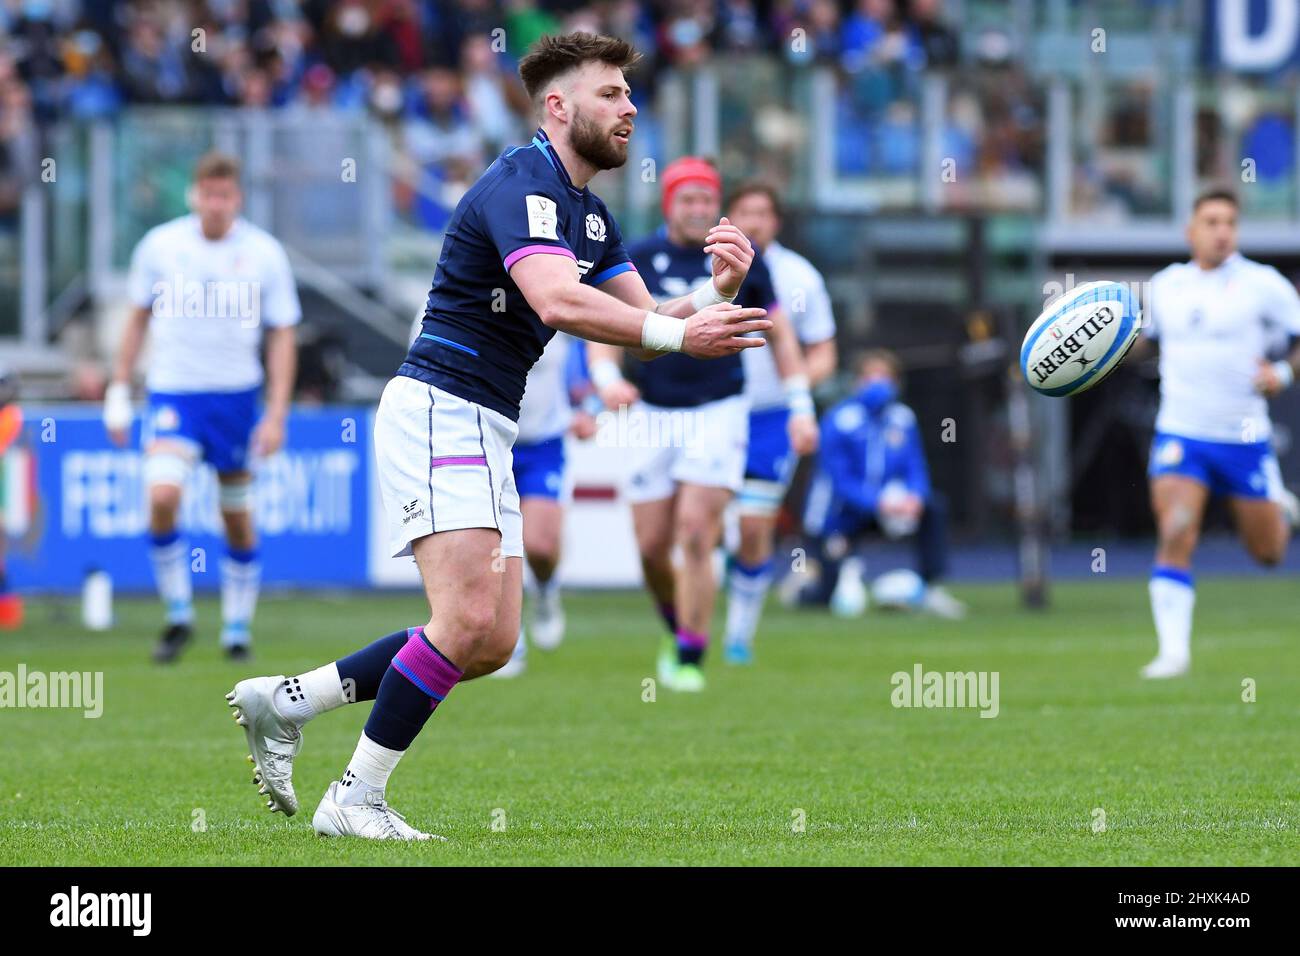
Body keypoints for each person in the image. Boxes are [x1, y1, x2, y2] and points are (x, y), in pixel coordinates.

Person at [226, 32, 773, 840]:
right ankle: (355, 798)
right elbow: (559, 303)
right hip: (444, 406)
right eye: (611, 93)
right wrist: (675, 337)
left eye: (629, 93)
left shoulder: (588, 213)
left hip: (482, 418)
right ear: (559, 106)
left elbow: (649, 316)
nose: (630, 108)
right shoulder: (522, 184)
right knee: (468, 617)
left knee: (489, 639)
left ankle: (285, 701)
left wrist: (714, 291)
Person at [587, 158, 817, 693]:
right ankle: (676, 624)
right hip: (652, 412)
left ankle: (692, 653)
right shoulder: (636, 257)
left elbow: (781, 337)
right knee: (650, 547)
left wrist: (800, 404)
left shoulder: (740, 260)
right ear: (669, 203)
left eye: (706, 200)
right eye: (686, 199)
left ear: (718, 206)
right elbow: (604, 324)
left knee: (696, 532)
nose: (697, 209)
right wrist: (604, 379)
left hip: (719, 410)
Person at [104, 152, 300, 663]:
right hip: (175, 394)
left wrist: (276, 413)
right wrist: (119, 389)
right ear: (195, 196)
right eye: (208, 194)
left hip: (235, 397)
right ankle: (178, 614)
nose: (216, 204)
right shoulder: (161, 247)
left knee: (236, 517)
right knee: (163, 497)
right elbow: (137, 318)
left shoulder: (264, 253)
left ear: (237, 198)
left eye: (225, 195)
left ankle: (236, 628)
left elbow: (282, 335)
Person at [1128, 187, 1300, 679]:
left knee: (1267, 554)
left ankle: (1279, 504)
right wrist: (1101, 349)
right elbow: (1143, 346)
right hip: (1183, 432)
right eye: (1211, 221)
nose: (1222, 231)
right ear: (1191, 231)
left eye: (1229, 222)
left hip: (1244, 436)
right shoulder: (1167, 286)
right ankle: (1173, 653)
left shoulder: (1263, 284)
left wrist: (1283, 375)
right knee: (1177, 529)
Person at [721, 181, 837, 663]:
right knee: (704, 526)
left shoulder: (799, 277)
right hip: (714, 409)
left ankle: (738, 633)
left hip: (770, 418)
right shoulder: (707, 265)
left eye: (763, 213)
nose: (754, 221)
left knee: (752, 527)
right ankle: (690, 629)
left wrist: (797, 398)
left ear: (777, 221)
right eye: (744, 212)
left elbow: (824, 353)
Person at [799, 350, 965, 618]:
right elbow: (839, 482)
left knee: (934, 507)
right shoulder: (838, 420)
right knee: (827, 599)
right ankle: (807, 586)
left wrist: (915, 497)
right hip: (840, 515)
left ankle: (929, 586)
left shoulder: (902, 418)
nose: (878, 383)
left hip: (887, 510)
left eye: (885, 377)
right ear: (856, 382)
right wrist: (878, 502)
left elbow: (915, 466)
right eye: (871, 377)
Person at [493, 331, 598, 678]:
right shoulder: (449, 297)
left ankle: (546, 594)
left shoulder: (550, 291)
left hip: (543, 444)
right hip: (487, 440)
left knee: (539, 546)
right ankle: (511, 640)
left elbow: (594, 339)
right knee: (494, 546)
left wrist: (589, 408)